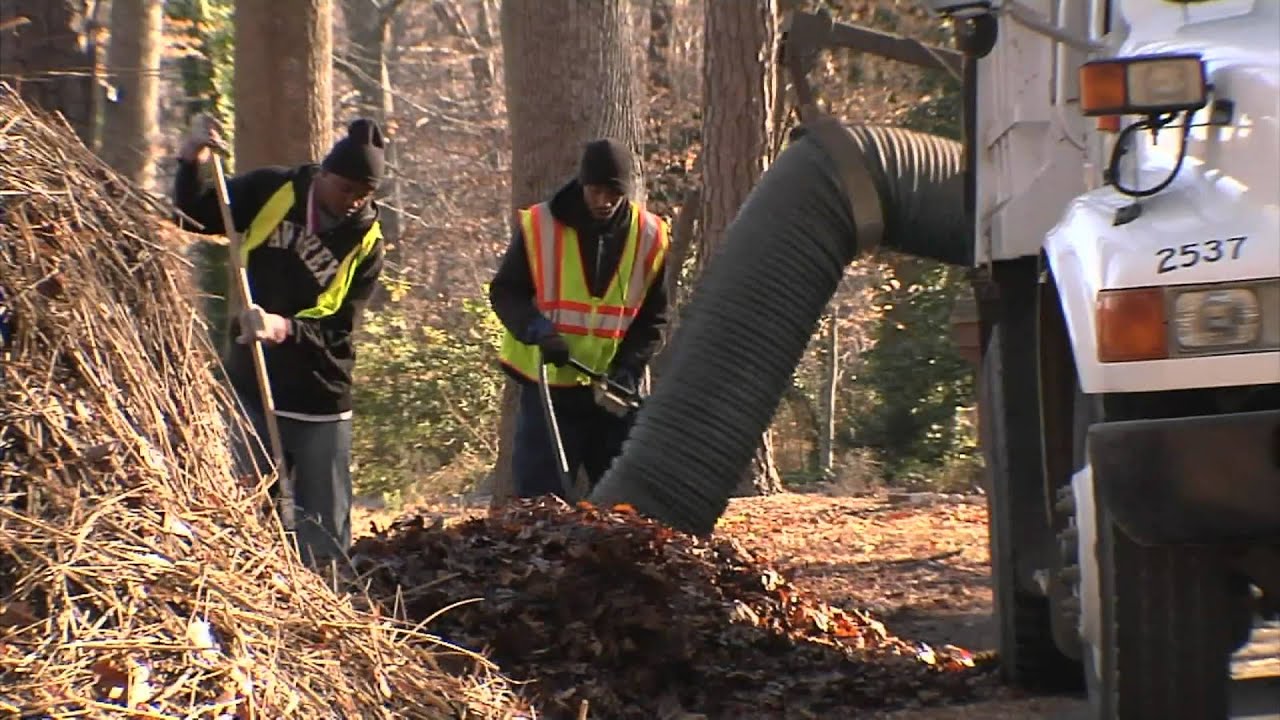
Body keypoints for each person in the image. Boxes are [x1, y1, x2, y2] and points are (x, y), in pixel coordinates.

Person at [172, 116, 387, 566]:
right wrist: (191, 158)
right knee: (241, 515)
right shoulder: (274, 190)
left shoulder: (366, 240)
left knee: (325, 534)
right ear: (324, 173)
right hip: (252, 384)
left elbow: (339, 326)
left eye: (363, 194)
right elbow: (194, 214)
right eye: (345, 188)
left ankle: (326, 611)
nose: (351, 201)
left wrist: (282, 327)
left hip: (319, 396)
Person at [489, 138, 670, 501]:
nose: (602, 201)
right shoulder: (540, 226)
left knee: (624, 505)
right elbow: (506, 292)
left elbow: (654, 319)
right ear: (582, 183)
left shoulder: (650, 236)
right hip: (548, 389)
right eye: (595, 190)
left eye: (612, 193)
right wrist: (537, 330)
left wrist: (629, 368)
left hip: (609, 393)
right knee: (540, 504)